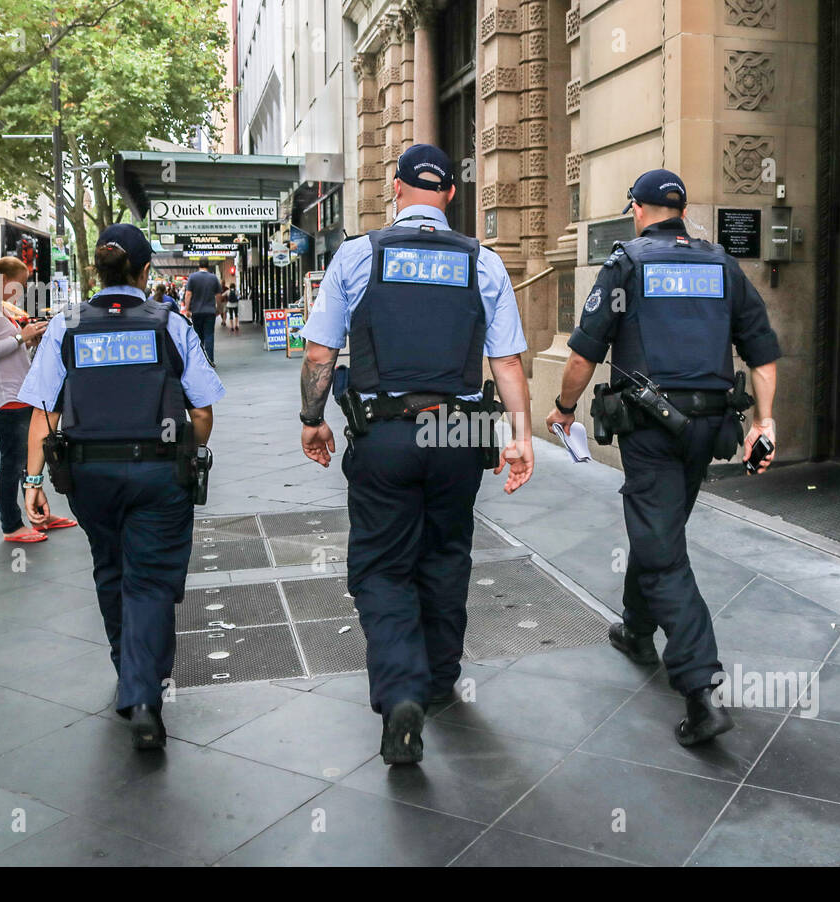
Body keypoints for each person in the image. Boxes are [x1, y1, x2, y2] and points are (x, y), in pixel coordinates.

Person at [298, 143, 534, 766]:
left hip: (386, 434)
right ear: (452, 195)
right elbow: (506, 360)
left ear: (395, 189)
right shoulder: (483, 260)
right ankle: (438, 678)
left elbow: (321, 354)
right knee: (448, 550)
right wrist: (521, 435)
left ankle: (401, 690)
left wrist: (312, 422)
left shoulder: (357, 255)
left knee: (381, 565)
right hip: (458, 434)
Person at [545, 169, 780, 747]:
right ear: (679, 210)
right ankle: (636, 628)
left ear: (637, 209)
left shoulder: (626, 265)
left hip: (651, 426)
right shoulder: (722, 265)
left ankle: (700, 689)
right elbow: (764, 355)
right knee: (661, 528)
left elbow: (582, 354)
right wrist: (764, 424)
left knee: (662, 547)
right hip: (711, 427)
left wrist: (563, 407)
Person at [17, 224, 225, 750]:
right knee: (150, 580)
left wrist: (32, 481)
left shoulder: (66, 325)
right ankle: (143, 694)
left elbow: (43, 412)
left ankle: (127, 669)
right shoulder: (171, 323)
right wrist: (192, 448)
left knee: (111, 566)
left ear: (98, 270)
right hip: (159, 474)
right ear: (145, 270)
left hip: (88, 476)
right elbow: (201, 410)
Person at [0, 257, 75, 543]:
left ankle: (39, 514)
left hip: (18, 395)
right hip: (5, 399)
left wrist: (27, 340)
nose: (23, 290)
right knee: (12, 463)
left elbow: (5, 350)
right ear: (6, 281)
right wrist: (20, 337)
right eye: (21, 284)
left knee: (29, 463)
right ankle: (11, 526)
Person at [182, 257, 222, 366]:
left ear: (199, 265)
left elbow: (188, 294)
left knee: (198, 336)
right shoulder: (213, 278)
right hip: (210, 311)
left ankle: (199, 361)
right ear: (208, 265)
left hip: (196, 311)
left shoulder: (193, 277)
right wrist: (219, 309)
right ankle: (210, 360)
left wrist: (187, 309)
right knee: (209, 335)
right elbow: (218, 295)